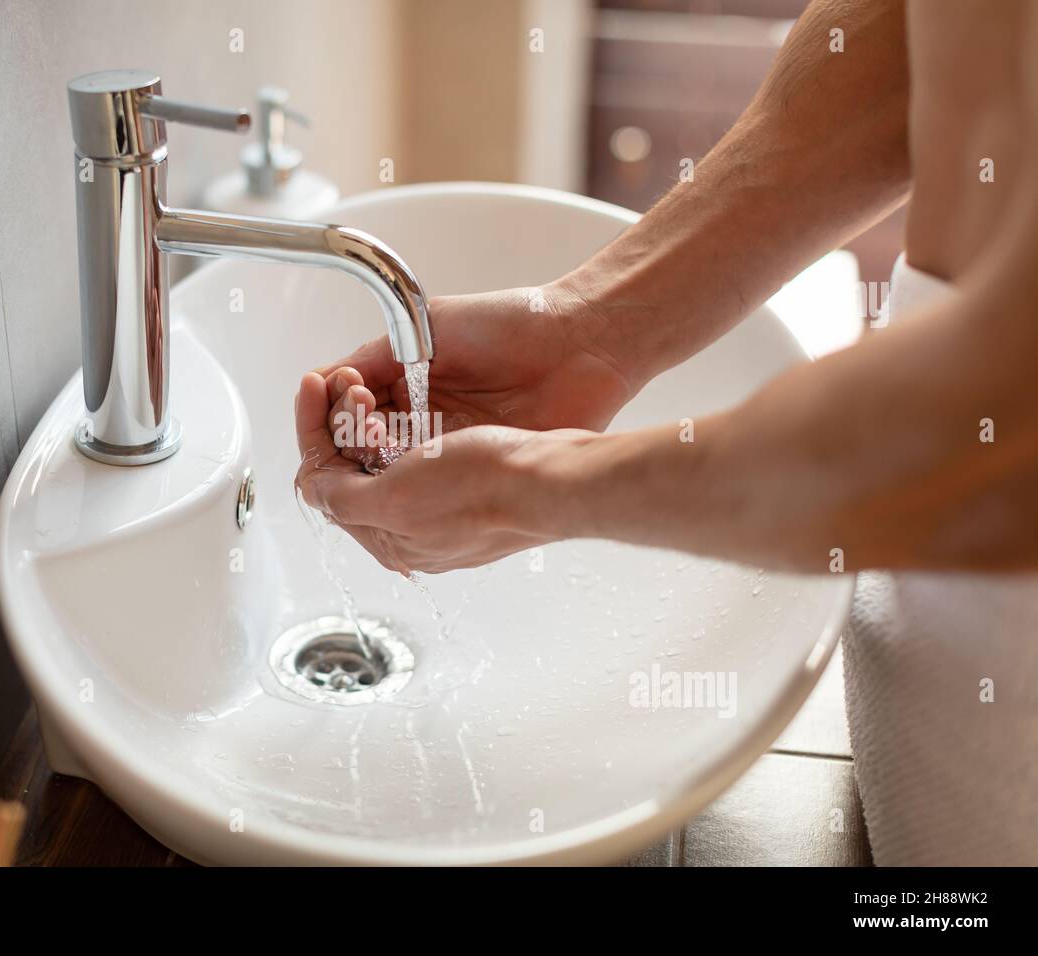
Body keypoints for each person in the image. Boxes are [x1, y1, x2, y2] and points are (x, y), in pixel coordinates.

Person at [294, 0, 1038, 865]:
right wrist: (587, 329)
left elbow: (1002, 439)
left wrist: (534, 484)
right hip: (934, 695)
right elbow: (922, 31)